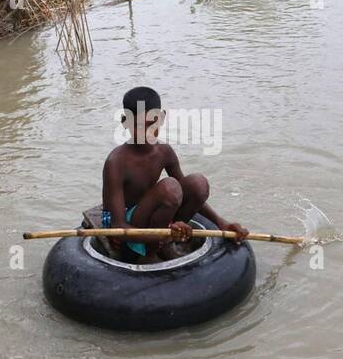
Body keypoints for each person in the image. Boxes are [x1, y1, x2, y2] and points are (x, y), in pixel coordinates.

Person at [101, 86, 248, 262]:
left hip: (153, 220)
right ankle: (151, 251)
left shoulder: (164, 152)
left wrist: (220, 222)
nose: (147, 131)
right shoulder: (116, 162)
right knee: (169, 188)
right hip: (128, 229)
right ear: (125, 122)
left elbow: (187, 194)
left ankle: (165, 243)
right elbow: (118, 226)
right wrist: (165, 233)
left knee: (198, 183)